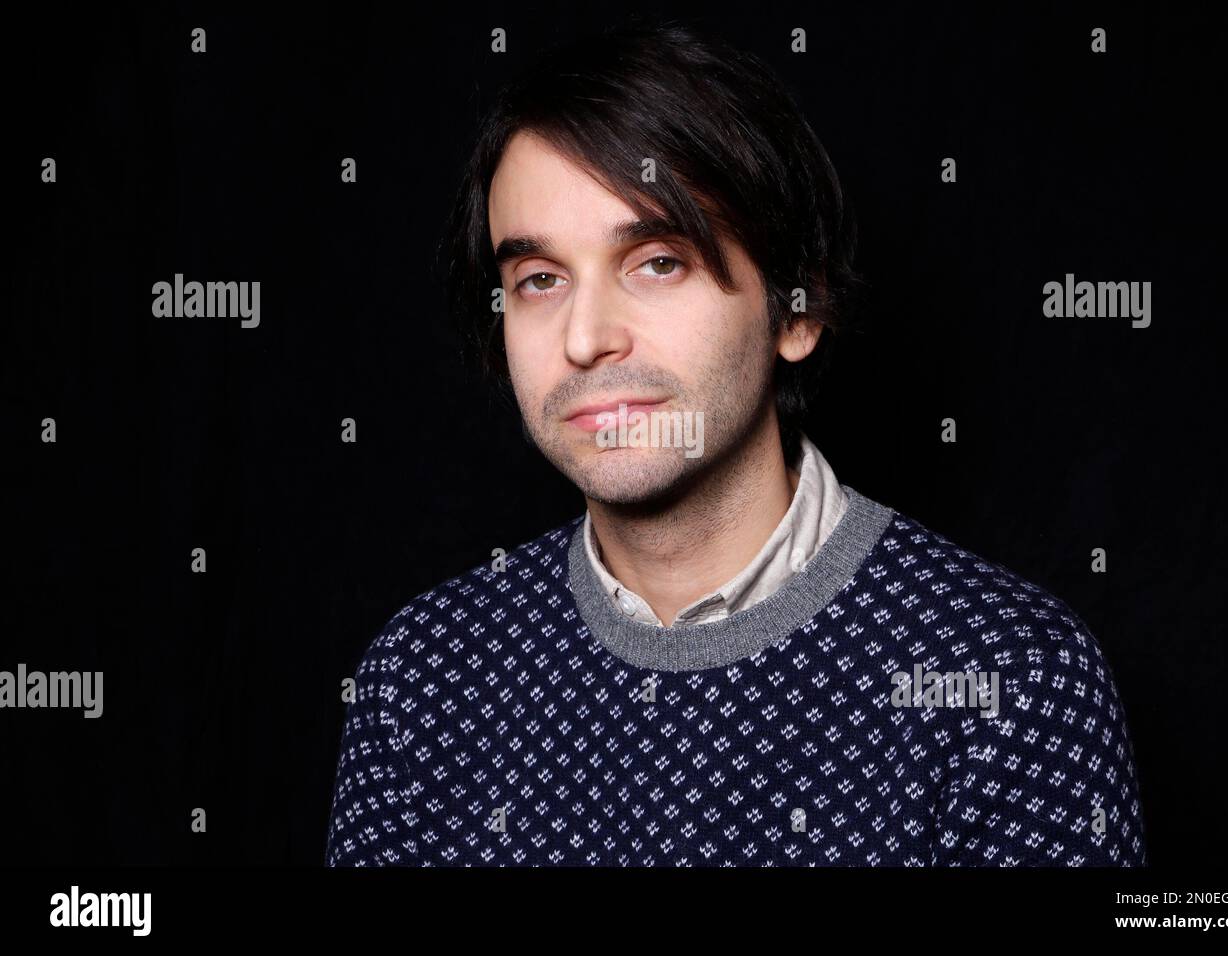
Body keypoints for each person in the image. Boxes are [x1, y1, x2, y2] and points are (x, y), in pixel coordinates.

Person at [326, 20, 1146, 867]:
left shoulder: (1006, 675)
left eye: (657, 262)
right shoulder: (425, 677)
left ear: (798, 309)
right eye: (539, 280)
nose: (585, 338)